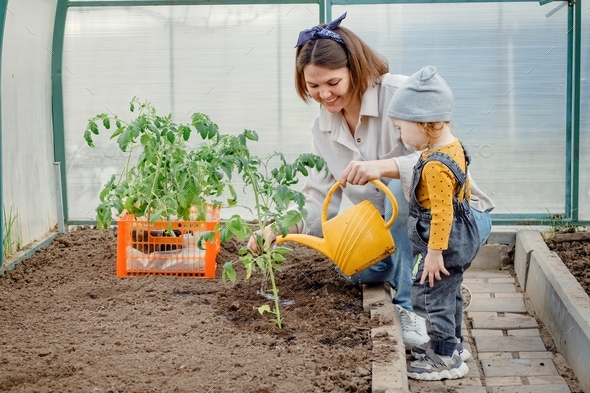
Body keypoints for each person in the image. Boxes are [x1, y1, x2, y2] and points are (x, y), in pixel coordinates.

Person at [246, 12, 429, 349]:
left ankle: (411, 306)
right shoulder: (323, 128)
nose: (324, 94)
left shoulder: (398, 94)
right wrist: (279, 228)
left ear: (353, 70)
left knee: (400, 194)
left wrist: (384, 167)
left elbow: (444, 159)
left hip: (441, 220)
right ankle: (423, 279)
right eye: (313, 86)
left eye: (333, 83)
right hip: (381, 231)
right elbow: (315, 197)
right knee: (353, 270)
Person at [376, 65, 491, 381]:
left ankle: (443, 358)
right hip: (461, 236)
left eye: (401, 128)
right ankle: (452, 346)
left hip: (441, 242)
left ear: (425, 123)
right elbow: (462, 196)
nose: (399, 135)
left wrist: (435, 253)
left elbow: (442, 214)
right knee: (449, 292)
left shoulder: (433, 167)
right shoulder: (454, 148)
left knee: (431, 296)